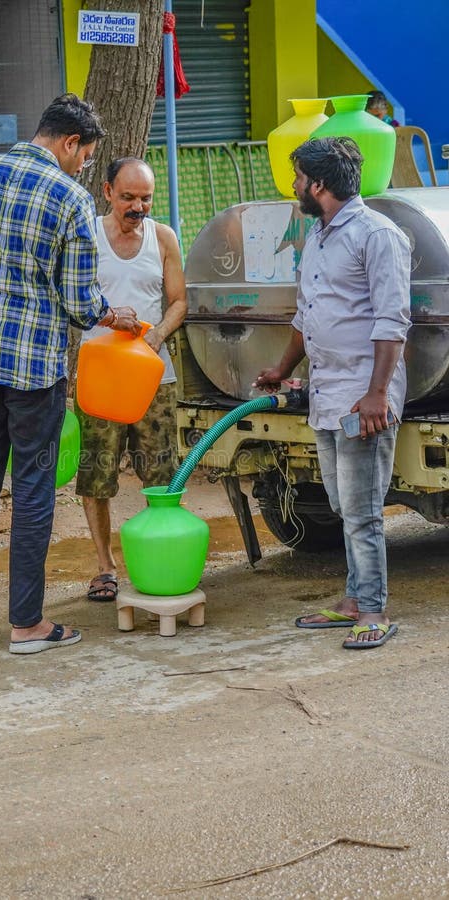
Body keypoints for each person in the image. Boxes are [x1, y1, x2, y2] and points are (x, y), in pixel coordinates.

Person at [0, 94, 141, 654]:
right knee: (34, 489)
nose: (84, 165)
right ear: (69, 143)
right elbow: (81, 303)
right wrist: (118, 316)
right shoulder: (68, 197)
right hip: (35, 369)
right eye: (85, 155)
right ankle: (28, 625)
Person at [254, 136, 411, 649]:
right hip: (326, 390)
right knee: (344, 504)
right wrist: (281, 368)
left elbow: (393, 322)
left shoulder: (377, 235)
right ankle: (352, 599)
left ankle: (374, 609)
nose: (295, 185)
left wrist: (377, 394)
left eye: (299, 177)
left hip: (363, 394)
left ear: (318, 184)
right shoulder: (319, 236)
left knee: (363, 507)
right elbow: (308, 315)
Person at [75, 157, 188, 602]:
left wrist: (157, 334)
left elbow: (179, 300)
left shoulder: (163, 237)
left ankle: (157, 558)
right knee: (96, 475)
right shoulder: (86, 236)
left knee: (161, 475)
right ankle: (105, 566)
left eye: (145, 198)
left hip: (152, 379)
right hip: (101, 378)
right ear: (107, 192)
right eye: (128, 198)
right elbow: (71, 297)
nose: (137, 207)